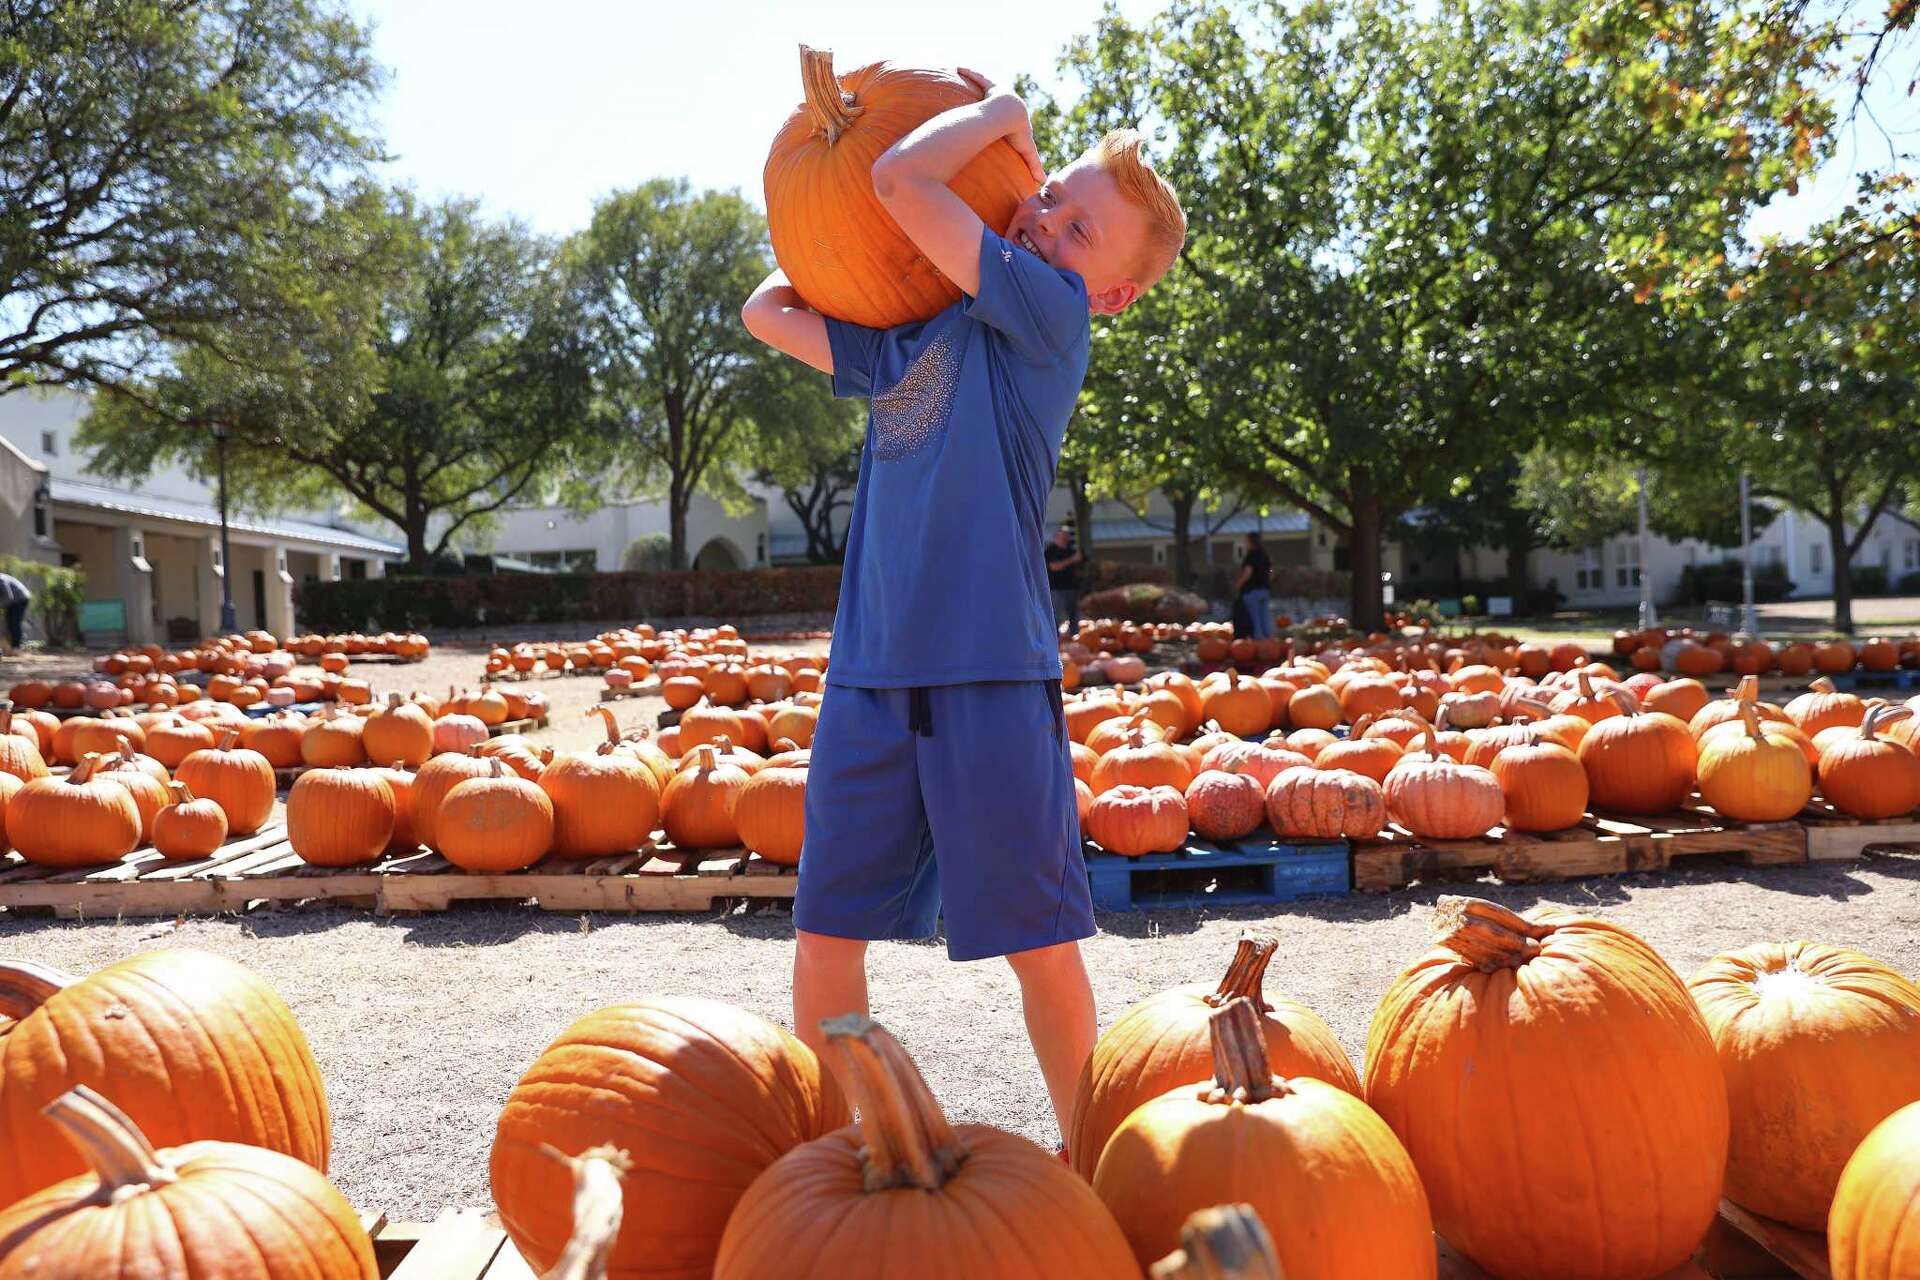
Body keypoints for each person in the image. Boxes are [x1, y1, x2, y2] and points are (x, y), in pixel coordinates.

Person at [740, 71, 1186, 1145]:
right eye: (1051, 196)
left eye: (1081, 230)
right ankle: (840, 1154)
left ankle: (1089, 1156)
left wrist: (996, 124)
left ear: (1111, 291)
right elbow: (770, 308)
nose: (1046, 223)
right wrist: (841, 225)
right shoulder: (910, 343)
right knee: (824, 933)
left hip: (988, 670)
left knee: (1038, 939)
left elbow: (900, 178)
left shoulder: (1051, 317)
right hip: (869, 673)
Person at [1045, 523, 1083, 631]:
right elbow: (1054, 566)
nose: (1065, 538)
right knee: (1056, 616)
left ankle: (1074, 637)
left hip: (1072, 587)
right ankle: (1056, 640)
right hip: (1056, 589)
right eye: (1063, 536)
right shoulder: (1050, 550)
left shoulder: (1071, 550)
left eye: (1067, 536)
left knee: (1074, 616)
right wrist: (1072, 560)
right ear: (1057, 536)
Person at [1237, 533, 1273, 640]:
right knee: (1265, 616)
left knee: (1254, 618)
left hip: (1251, 590)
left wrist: (1239, 583)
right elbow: (1271, 571)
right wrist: (1266, 580)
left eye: (1246, 541)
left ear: (1250, 542)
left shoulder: (1250, 556)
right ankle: (1268, 639)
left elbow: (1248, 573)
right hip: (1264, 590)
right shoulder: (1265, 555)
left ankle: (1258, 641)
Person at [0, 571, 31, 652]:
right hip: (11, 602)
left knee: (14, 622)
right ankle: (9, 647)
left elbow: (9, 597)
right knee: (8, 623)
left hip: (21, 599)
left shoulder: (1, 580)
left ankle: (16, 648)